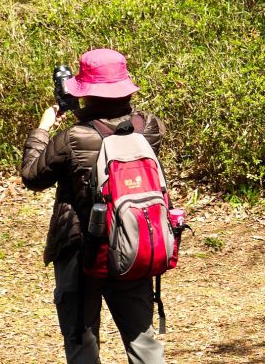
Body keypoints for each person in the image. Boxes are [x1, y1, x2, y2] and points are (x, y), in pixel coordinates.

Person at [20, 48, 167, 364]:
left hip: (80, 251)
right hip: (133, 241)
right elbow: (113, 132)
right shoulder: (149, 127)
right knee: (144, 343)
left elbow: (32, 176)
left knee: (81, 340)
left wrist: (43, 128)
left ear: (85, 92)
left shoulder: (72, 137)